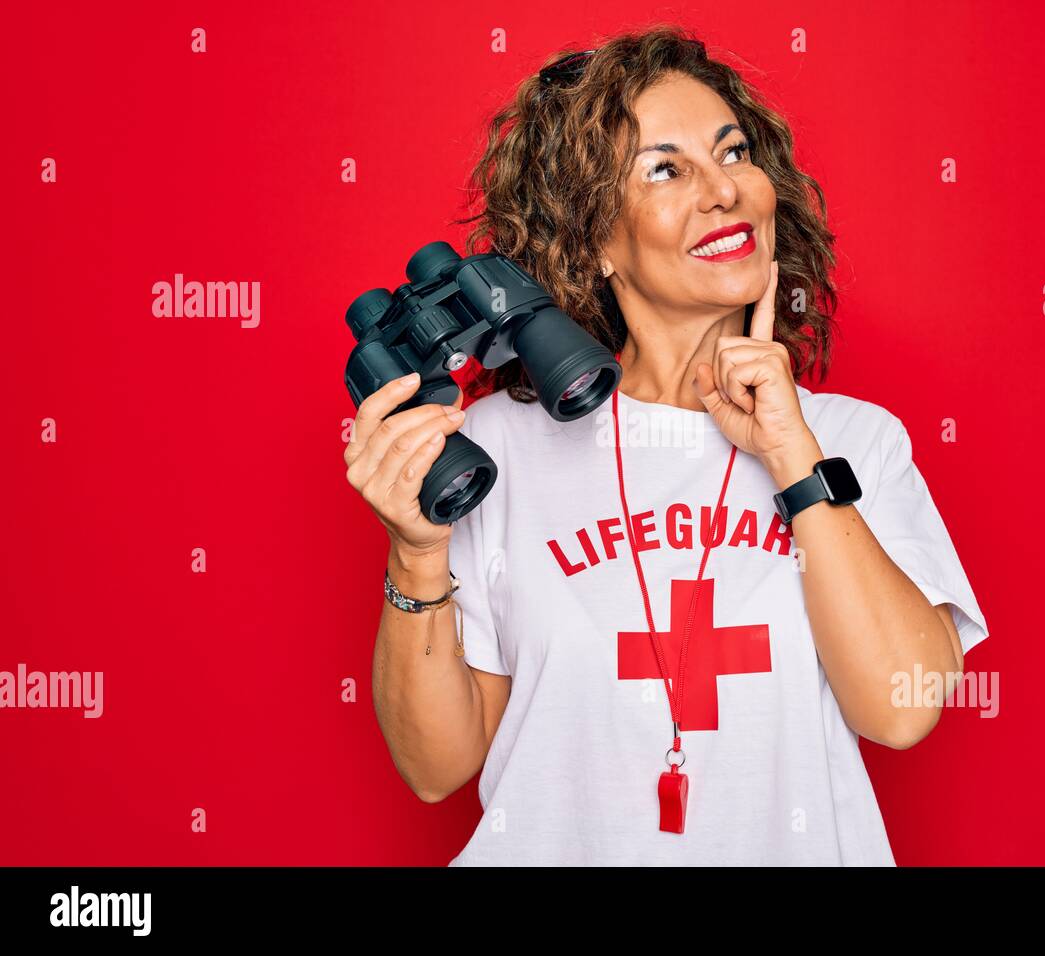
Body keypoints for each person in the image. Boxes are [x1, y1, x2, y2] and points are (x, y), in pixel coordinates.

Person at [344, 26, 989, 866]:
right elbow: (437, 770)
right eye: (665, 168)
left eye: (733, 152)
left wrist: (793, 455)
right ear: (599, 240)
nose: (723, 189)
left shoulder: (857, 440)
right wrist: (415, 551)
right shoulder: (498, 445)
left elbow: (902, 710)